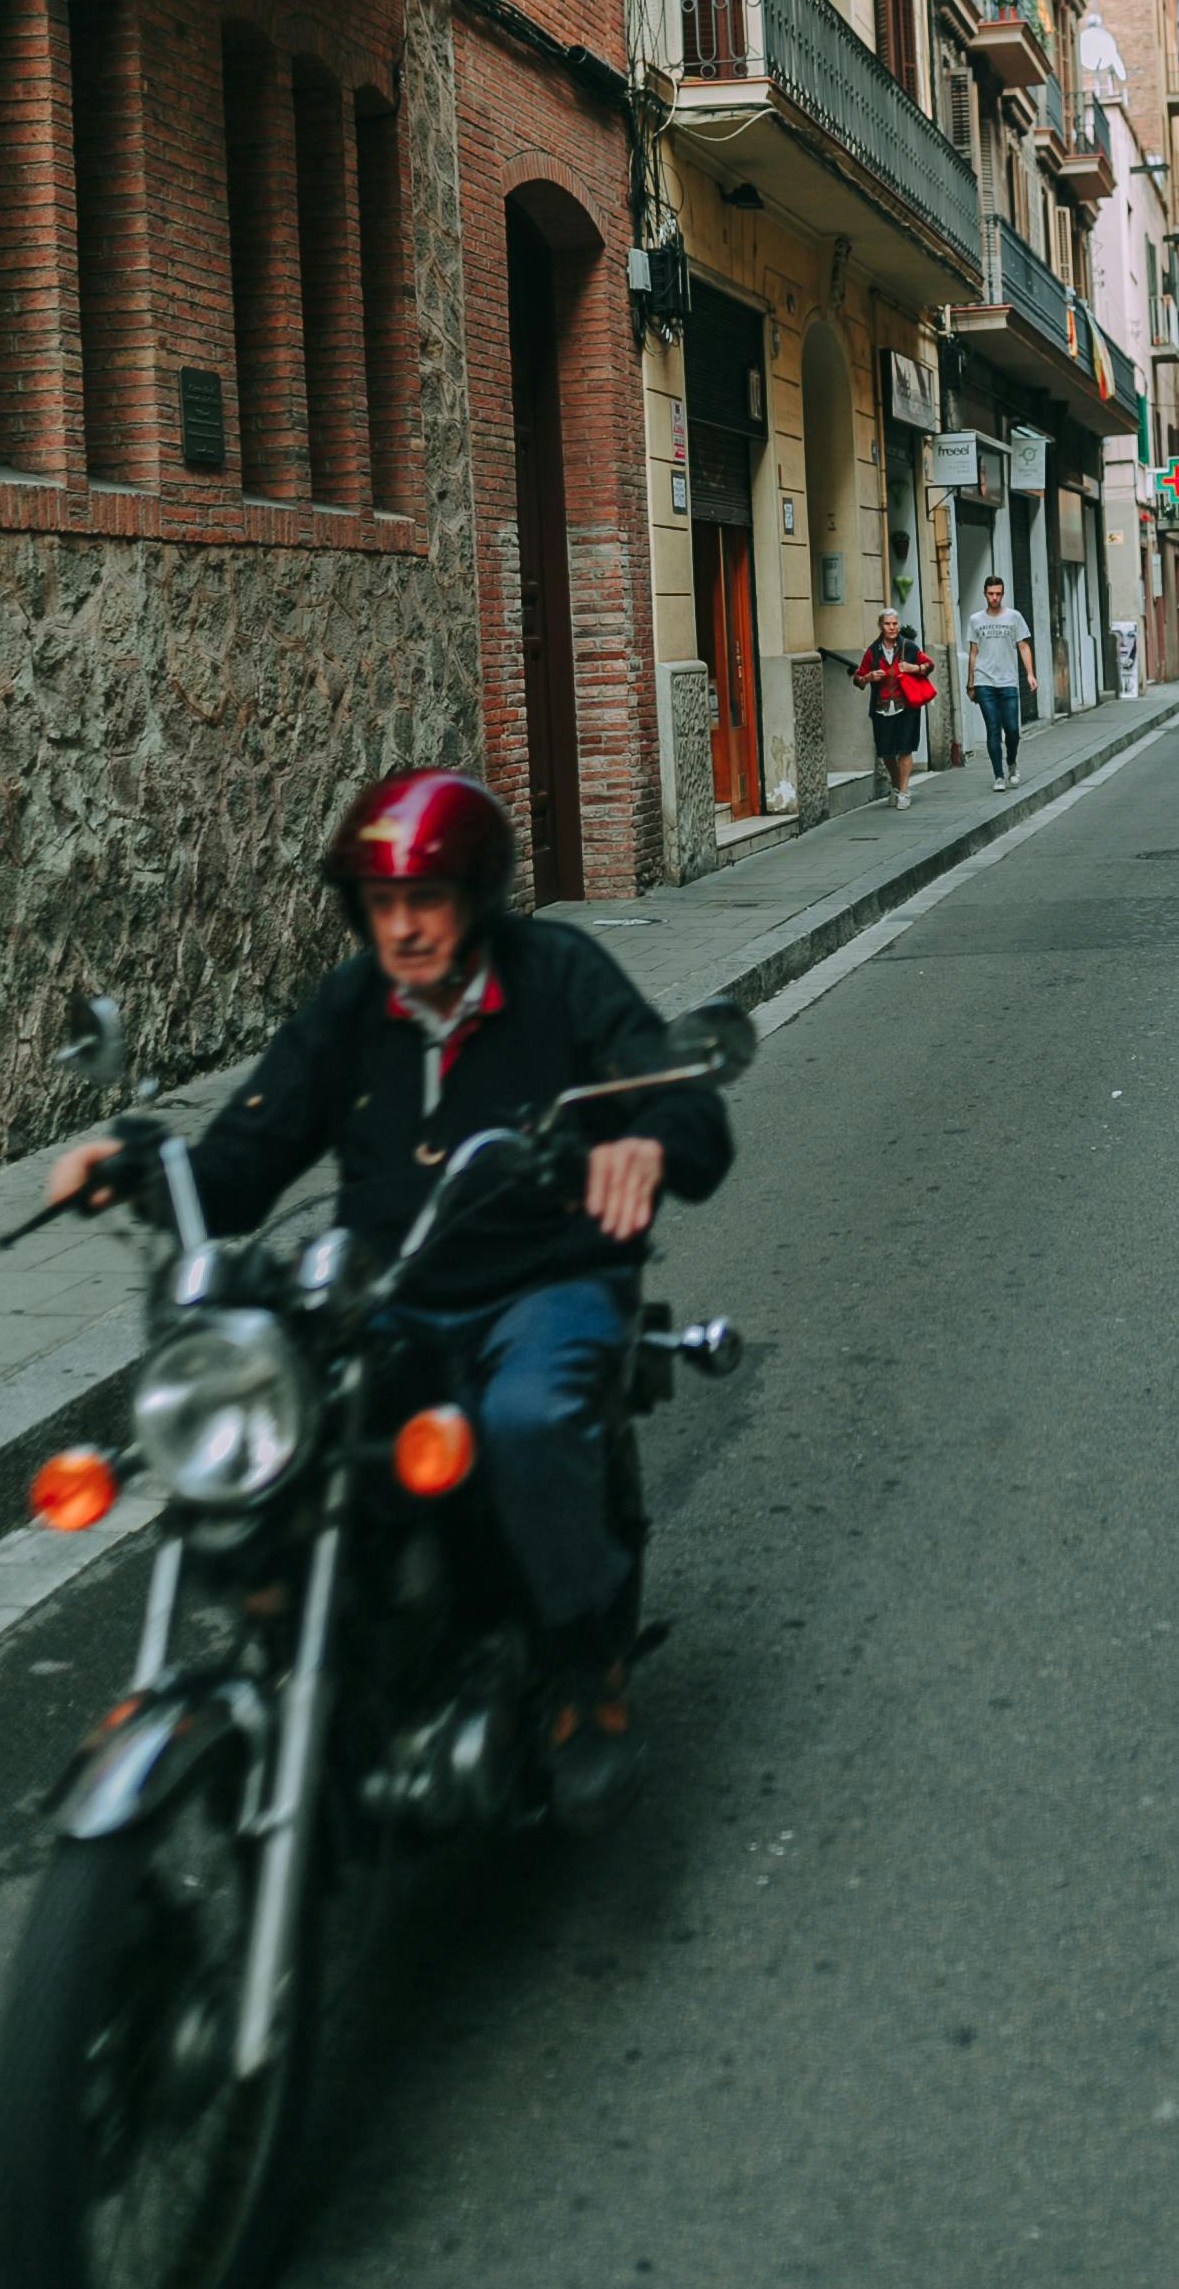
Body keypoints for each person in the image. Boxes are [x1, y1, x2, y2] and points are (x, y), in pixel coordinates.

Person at [46, 770, 732, 1826]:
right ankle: (318, 1648)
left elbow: (681, 1106)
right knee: (281, 1434)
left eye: (427, 900)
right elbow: (242, 1160)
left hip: (542, 1279)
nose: (404, 927)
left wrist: (645, 1136)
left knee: (527, 1418)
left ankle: (580, 1662)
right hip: (387, 1298)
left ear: (476, 897)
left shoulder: (556, 975)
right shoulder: (351, 1006)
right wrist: (137, 1160)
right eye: (382, 904)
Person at [853, 603, 930, 808]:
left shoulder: (908, 647)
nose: (892, 627)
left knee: (905, 749)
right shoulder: (873, 651)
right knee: (887, 751)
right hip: (881, 707)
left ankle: (904, 791)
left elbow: (928, 665)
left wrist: (914, 667)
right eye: (888, 624)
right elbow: (858, 678)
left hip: (907, 705)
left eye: (895, 623)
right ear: (881, 626)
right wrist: (868, 677)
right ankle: (896, 784)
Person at [964, 571, 1035, 785]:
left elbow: (1023, 646)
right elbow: (973, 652)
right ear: (984, 594)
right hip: (984, 681)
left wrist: (1030, 674)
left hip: (1008, 681)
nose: (994, 597)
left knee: (1012, 729)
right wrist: (971, 682)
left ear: (1003, 594)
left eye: (998, 594)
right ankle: (998, 776)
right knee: (993, 728)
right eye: (990, 594)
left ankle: (1011, 761)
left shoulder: (1014, 616)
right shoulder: (976, 619)